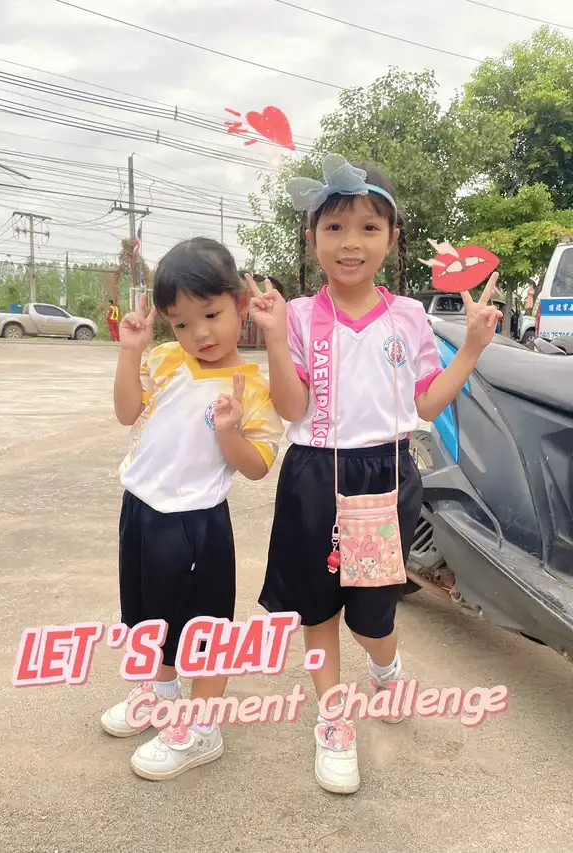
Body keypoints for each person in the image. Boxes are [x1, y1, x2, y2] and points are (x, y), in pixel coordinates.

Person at [245, 153, 502, 795]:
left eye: (368, 227)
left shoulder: (408, 316)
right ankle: (333, 719)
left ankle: (386, 670)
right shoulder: (297, 315)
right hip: (313, 474)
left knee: (370, 618)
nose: (350, 243)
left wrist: (472, 347)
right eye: (334, 228)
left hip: (383, 476)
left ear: (391, 237)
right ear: (313, 238)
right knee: (316, 609)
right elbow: (291, 408)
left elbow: (426, 404)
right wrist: (273, 337)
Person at [102, 236, 285, 781]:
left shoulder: (251, 387)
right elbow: (126, 412)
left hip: (196, 522)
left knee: (204, 628)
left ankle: (203, 726)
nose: (199, 333)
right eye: (182, 323)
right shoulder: (162, 360)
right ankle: (161, 695)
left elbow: (257, 466)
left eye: (210, 315)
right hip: (141, 507)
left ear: (240, 305)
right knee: (146, 616)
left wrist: (229, 432)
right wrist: (130, 350)